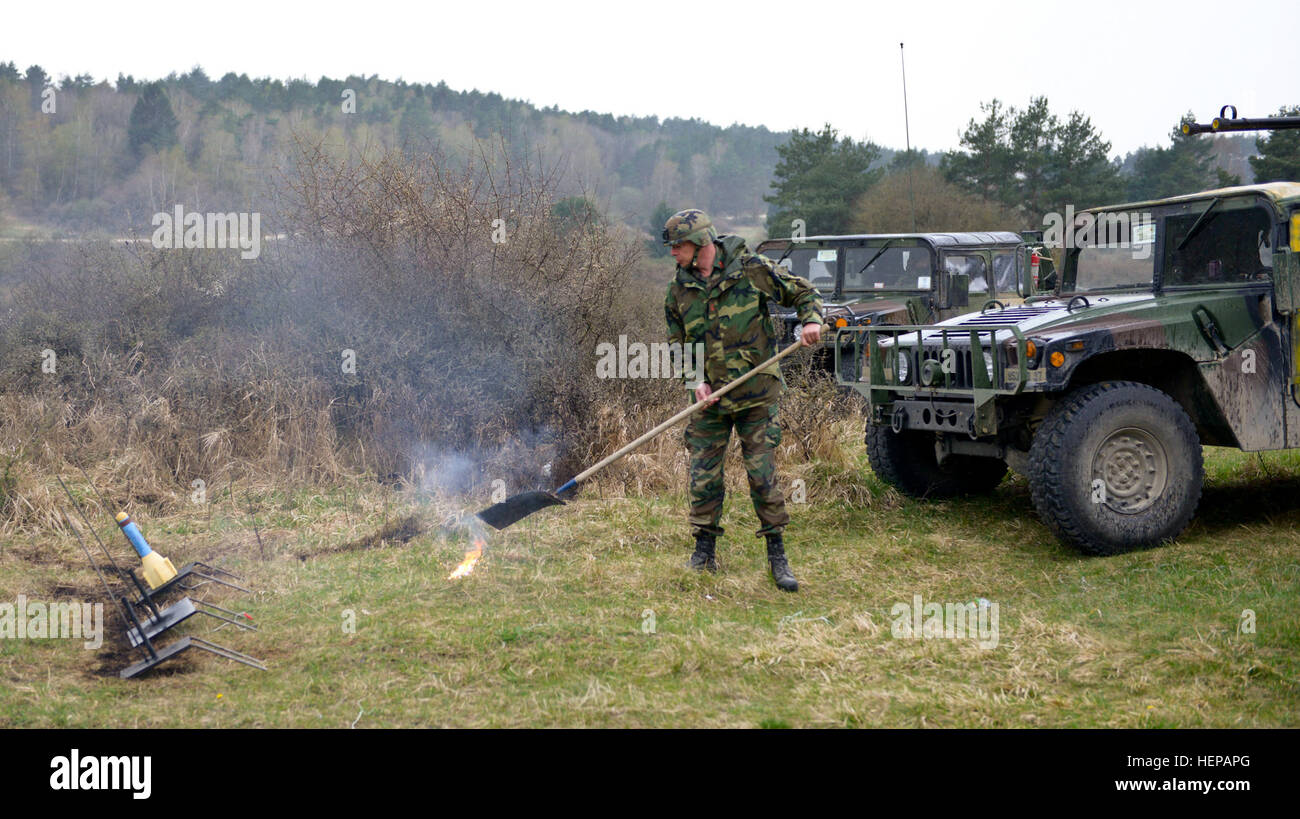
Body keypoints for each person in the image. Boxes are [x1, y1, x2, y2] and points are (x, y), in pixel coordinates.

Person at [662, 209, 823, 592]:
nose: (672, 254)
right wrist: (695, 379)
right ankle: (704, 552)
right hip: (709, 401)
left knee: (761, 474)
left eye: (678, 246)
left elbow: (804, 292)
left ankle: (776, 553)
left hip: (755, 395)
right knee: (703, 476)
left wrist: (811, 320)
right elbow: (677, 342)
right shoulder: (678, 290)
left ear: (701, 242)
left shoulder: (750, 268)